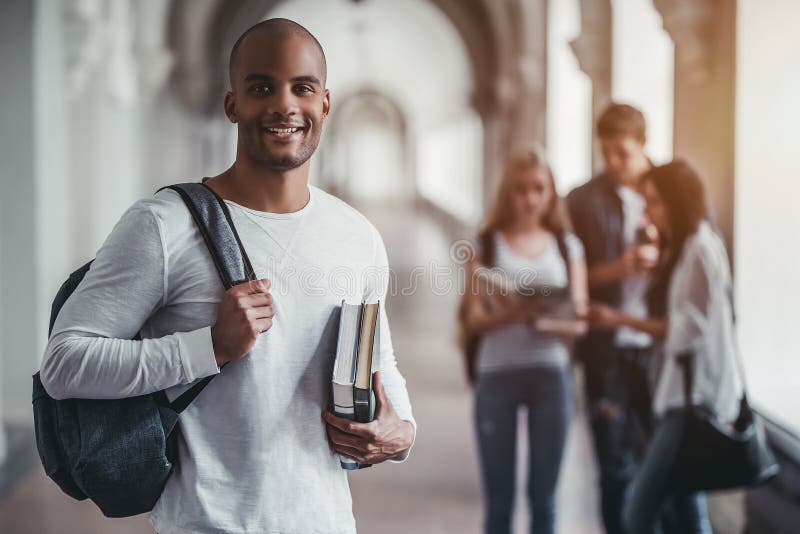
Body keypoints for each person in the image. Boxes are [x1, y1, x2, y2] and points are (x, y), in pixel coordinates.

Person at [40, 18, 416, 534]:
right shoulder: (163, 225)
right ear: (232, 104)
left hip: (325, 520)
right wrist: (210, 346)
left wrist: (401, 431)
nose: (285, 105)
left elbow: (381, 360)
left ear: (324, 103)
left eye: (302, 88)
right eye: (262, 87)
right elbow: (64, 363)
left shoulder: (357, 237)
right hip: (206, 523)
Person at [590, 160, 742, 533]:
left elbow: (685, 330)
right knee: (687, 508)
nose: (647, 212)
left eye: (654, 202)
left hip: (688, 403)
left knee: (640, 509)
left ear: (677, 202)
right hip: (679, 399)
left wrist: (619, 319)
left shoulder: (699, 249)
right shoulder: (690, 248)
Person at [460, 146, 589, 534]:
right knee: (499, 502)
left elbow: (579, 322)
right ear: (507, 193)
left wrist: (545, 322)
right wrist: (515, 313)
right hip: (497, 374)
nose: (530, 199)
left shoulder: (568, 246)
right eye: (521, 189)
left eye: (539, 189)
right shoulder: (485, 245)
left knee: (544, 502)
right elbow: (473, 320)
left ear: (551, 193)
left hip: (551, 374)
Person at [566, 103, 660, 534]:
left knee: (662, 468)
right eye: (606, 153)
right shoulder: (583, 199)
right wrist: (617, 269)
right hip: (605, 350)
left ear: (643, 144)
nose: (614, 163)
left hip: (661, 351)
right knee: (613, 468)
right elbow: (571, 278)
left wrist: (657, 261)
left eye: (622, 152)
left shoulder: (671, 194)